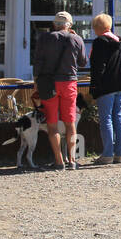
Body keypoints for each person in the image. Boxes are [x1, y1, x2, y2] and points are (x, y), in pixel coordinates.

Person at [33, 11, 88, 170]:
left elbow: (38, 62)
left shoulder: (45, 38)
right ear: (69, 25)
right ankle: (72, 160)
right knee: (70, 124)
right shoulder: (76, 38)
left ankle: (59, 161)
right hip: (69, 83)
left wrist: (36, 81)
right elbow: (83, 62)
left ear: (54, 24)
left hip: (49, 83)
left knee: (52, 125)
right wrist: (76, 38)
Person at [89, 13, 121, 165]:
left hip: (106, 85)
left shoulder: (99, 42)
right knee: (118, 118)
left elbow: (97, 66)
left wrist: (94, 87)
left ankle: (107, 154)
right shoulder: (118, 41)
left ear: (98, 28)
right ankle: (120, 154)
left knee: (106, 118)